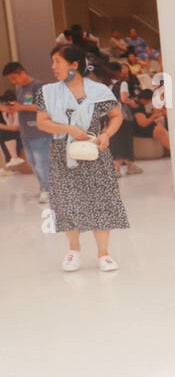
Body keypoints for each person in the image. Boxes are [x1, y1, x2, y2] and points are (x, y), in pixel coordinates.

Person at [33, 45, 130, 272]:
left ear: (74, 65)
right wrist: (69, 129)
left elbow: (116, 116)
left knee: (101, 201)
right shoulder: (47, 92)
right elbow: (42, 121)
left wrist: (106, 134)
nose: (53, 67)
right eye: (53, 61)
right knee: (67, 202)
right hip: (62, 153)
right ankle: (73, 250)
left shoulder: (99, 91)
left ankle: (104, 254)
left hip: (95, 151)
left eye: (57, 61)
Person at [3, 61, 52, 203]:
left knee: (42, 163)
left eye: (14, 78)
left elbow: (43, 106)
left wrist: (20, 107)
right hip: (26, 133)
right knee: (33, 163)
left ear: (22, 73)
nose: (13, 82)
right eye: (10, 80)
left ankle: (48, 191)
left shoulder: (39, 86)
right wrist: (11, 109)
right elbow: (22, 107)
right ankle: (44, 188)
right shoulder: (19, 89)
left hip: (40, 132)